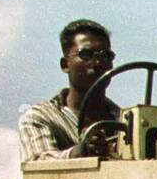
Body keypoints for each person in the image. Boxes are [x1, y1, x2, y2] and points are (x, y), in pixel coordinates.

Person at [18, 19, 121, 162]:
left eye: (106, 56)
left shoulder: (125, 121)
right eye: (86, 54)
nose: (98, 63)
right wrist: (79, 152)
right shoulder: (40, 118)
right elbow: (38, 162)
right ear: (65, 64)